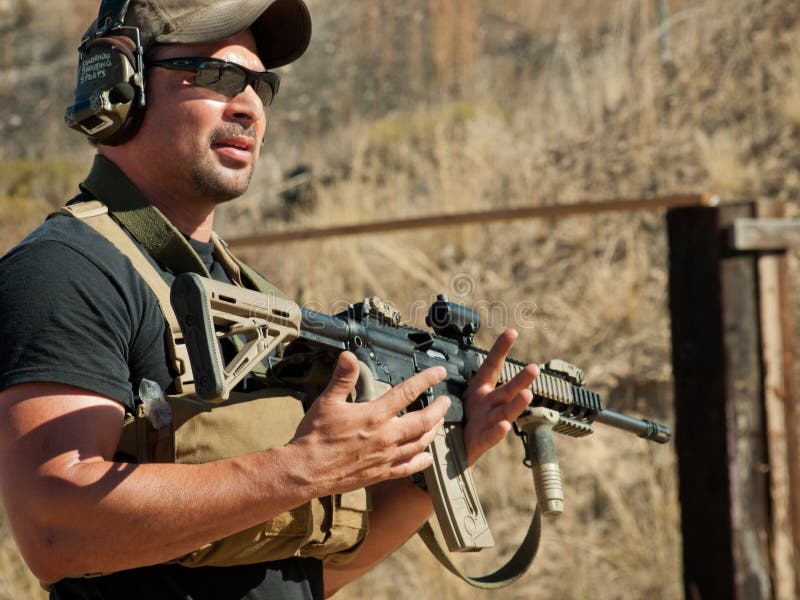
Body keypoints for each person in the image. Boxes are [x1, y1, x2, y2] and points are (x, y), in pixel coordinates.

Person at [0, 1, 538, 598]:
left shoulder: (250, 298)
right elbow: (54, 531)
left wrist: (442, 454)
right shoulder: (66, 269)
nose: (249, 106)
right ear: (123, 87)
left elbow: (309, 577)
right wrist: (303, 468)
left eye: (261, 85)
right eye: (216, 75)